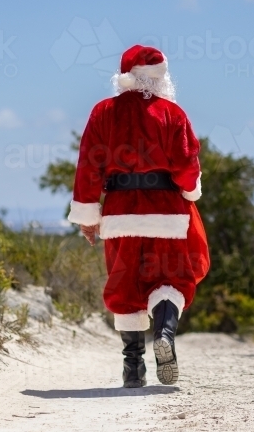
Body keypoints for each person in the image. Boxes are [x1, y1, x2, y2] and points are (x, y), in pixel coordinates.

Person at [67, 44, 210, 387]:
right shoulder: (172, 114)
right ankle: (164, 332)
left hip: (120, 214)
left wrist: (89, 215)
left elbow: (88, 165)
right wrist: (190, 192)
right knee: (172, 280)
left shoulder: (103, 112)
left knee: (127, 286)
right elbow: (188, 165)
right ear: (159, 78)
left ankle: (133, 368)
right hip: (168, 215)